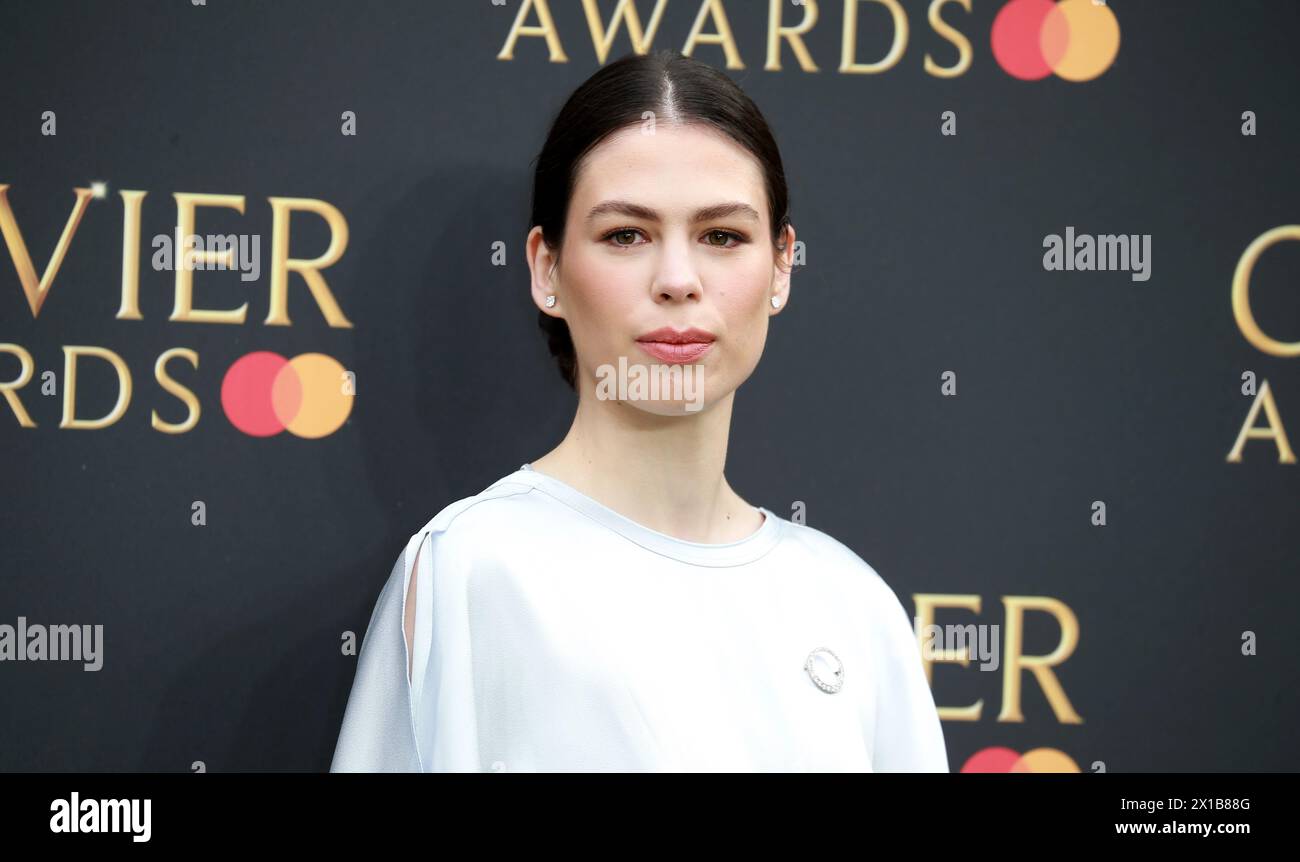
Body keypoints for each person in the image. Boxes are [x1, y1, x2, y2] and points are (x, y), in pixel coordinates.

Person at [330, 49, 947, 773]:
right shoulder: (473, 569)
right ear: (546, 268)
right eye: (626, 235)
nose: (679, 280)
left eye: (723, 236)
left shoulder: (853, 604)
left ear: (782, 265)